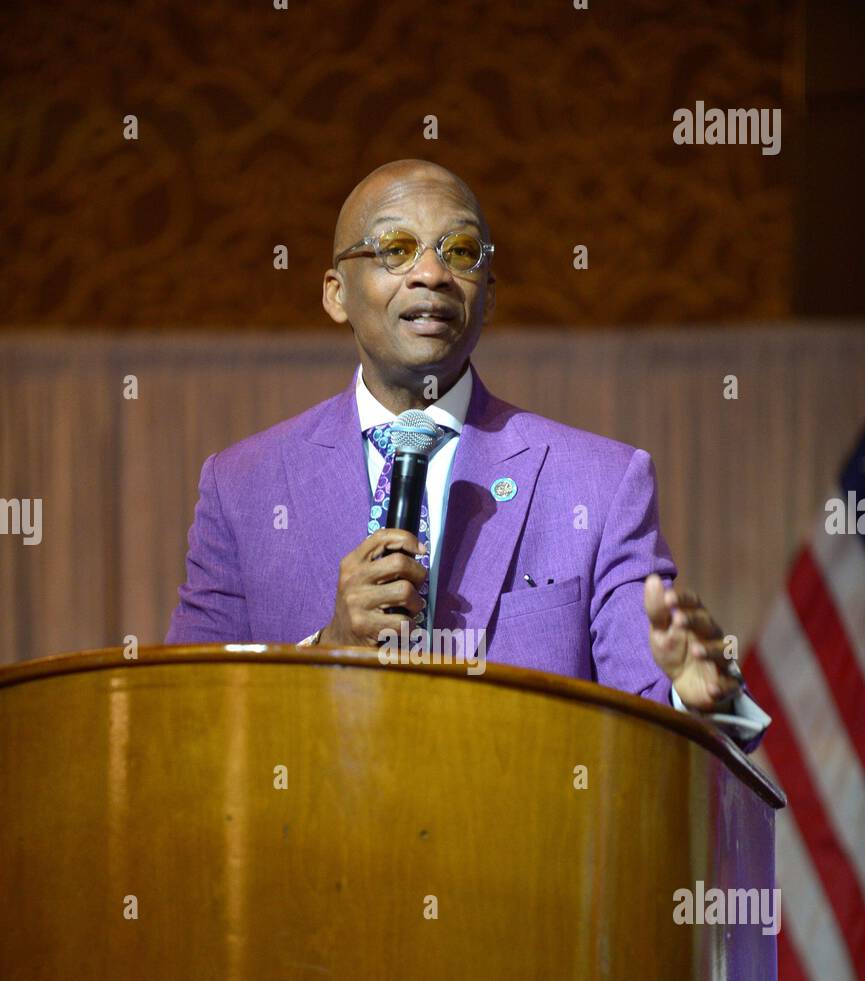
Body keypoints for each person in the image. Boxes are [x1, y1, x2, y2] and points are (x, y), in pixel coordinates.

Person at [166, 158, 769, 746]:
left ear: (489, 295)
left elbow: (650, 709)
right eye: (395, 249)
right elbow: (188, 719)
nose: (431, 273)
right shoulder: (243, 487)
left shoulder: (600, 485)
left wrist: (696, 697)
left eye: (460, 251)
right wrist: (326, 652)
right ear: (336, 294)